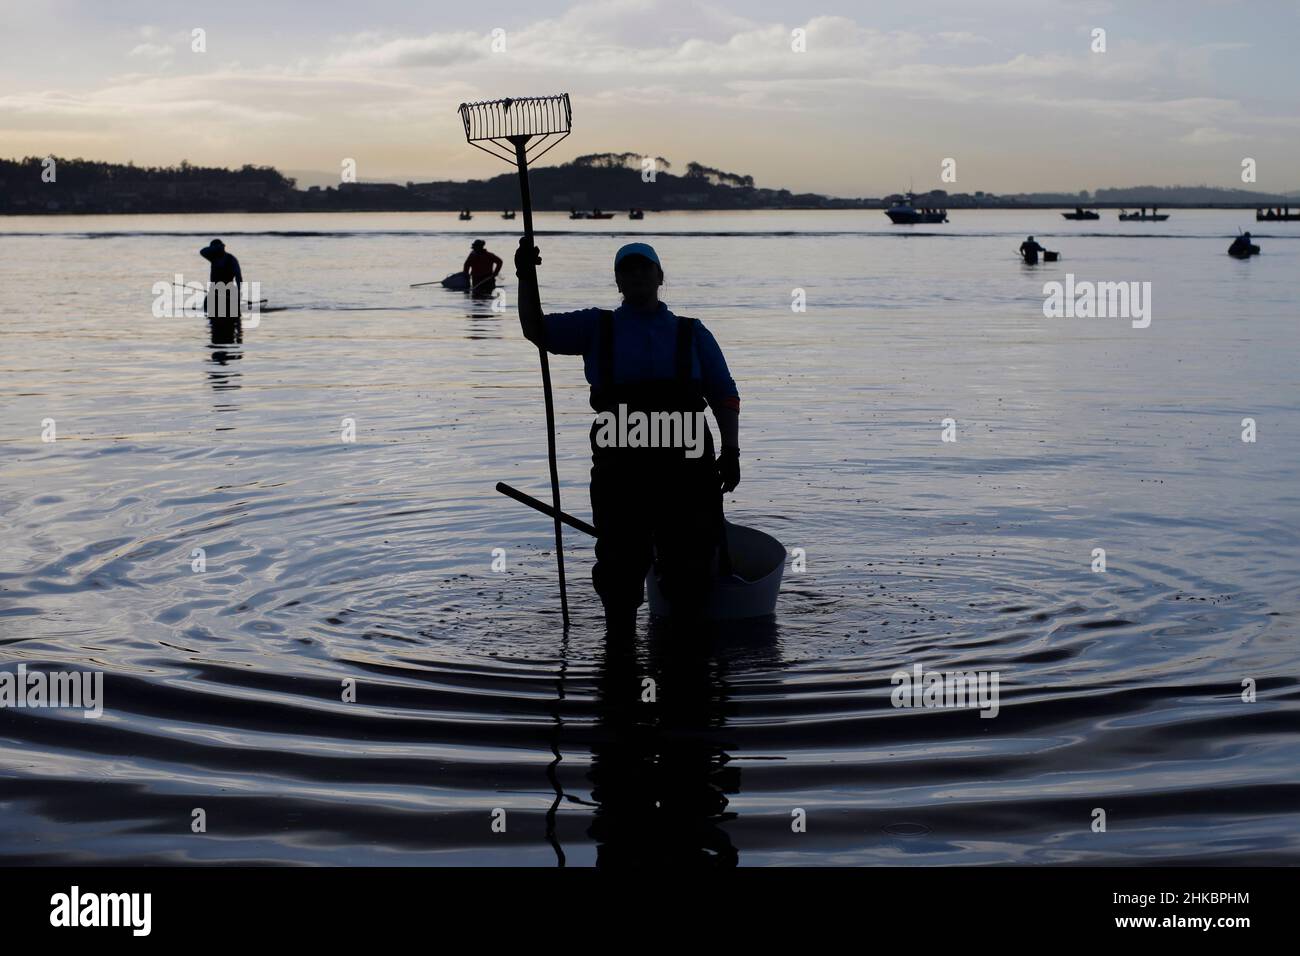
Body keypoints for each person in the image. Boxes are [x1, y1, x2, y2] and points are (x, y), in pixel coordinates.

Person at [515, 239, 741, 635]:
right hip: (621, 468)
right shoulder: (594, 326)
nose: (636, 276)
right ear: (618, 282)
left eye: (644, 269)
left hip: (686, 467)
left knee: (690, 565)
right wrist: (525, 274)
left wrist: (732, 450)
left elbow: (724, 394)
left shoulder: (692, 333)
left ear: (659, 277)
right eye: (628, 271)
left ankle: (686, 661)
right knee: (620, 566)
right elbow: (537, 329)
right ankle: (619, 653)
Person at [199, 239, 241, 319]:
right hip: (214, 291)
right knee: (208, 311)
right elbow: (202, 251)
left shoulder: (232, 259)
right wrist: (215, 248)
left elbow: (238, 277)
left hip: (229, 291)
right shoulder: (213, 258)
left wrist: (238, 293)